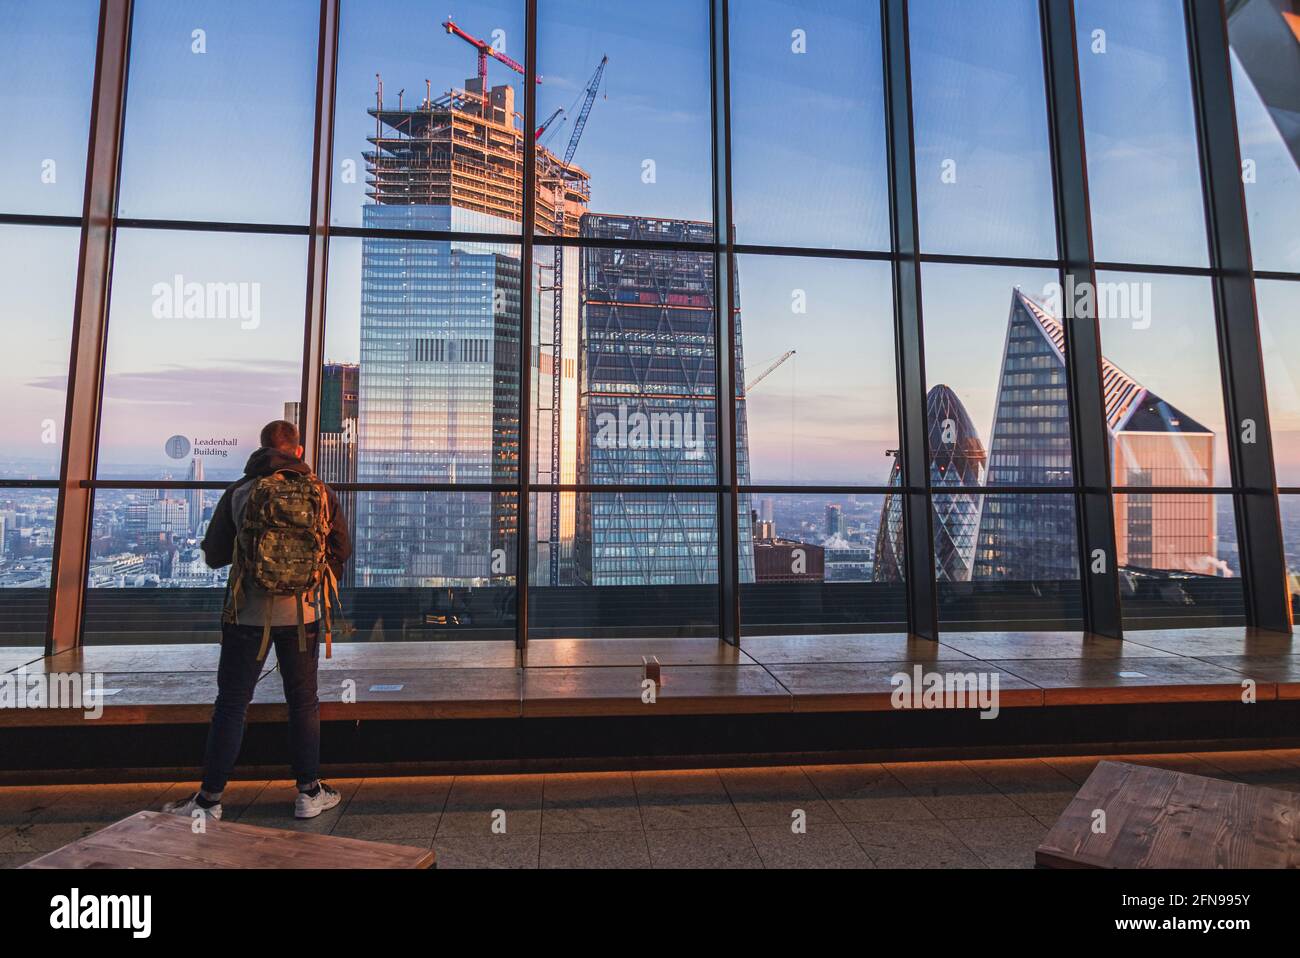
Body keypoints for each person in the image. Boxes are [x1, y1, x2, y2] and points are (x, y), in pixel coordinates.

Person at [164, 420, 352, 821]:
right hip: (303, 614)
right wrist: (311, 573)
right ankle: (308, 793)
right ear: (297, 451)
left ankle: (210, 800)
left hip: (246, 613)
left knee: (232, 703)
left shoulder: (241, 491)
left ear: (261, 448)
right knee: (303, 703)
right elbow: (343, 547)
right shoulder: (320, 491)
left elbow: (214, 554)